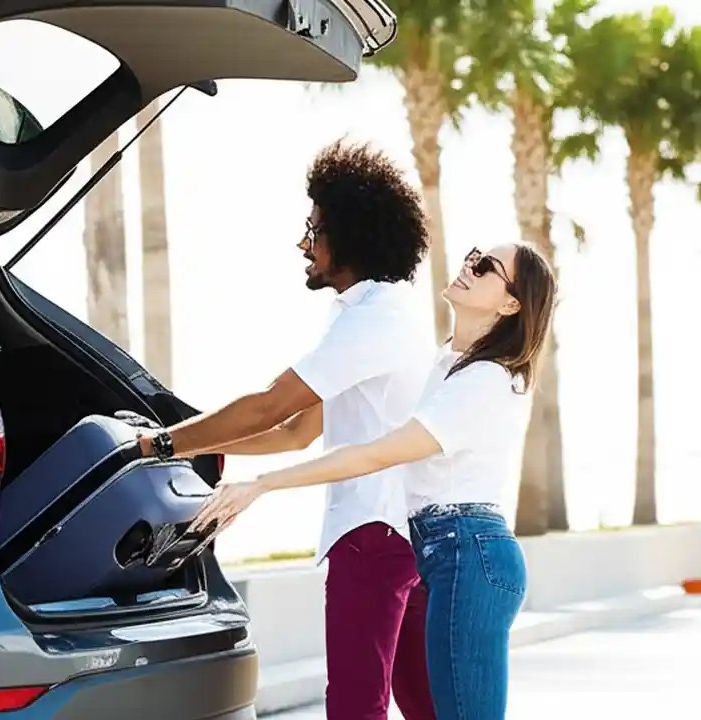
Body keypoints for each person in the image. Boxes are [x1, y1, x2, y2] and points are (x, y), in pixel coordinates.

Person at [190, 242, 558, 720]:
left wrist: (263, 484)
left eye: (486, 267)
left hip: (471, 552)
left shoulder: (485, 380)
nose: (469, 266)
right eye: (473, 255)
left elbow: (378, 453)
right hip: (446, 552)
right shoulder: (445, 365)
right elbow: (304, 430)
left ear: (511, 303)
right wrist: (196, 441)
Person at [134, 140, 435, 720]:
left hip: (373, 535)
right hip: (397, 533)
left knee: (355, 705)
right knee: (420, 702)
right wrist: (191, 446)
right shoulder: (376, 315)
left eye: (314, 228)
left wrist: (163, 442)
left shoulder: (372, 321)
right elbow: (297, 432)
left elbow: (270, 407)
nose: (305, 243)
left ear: (349, 236)